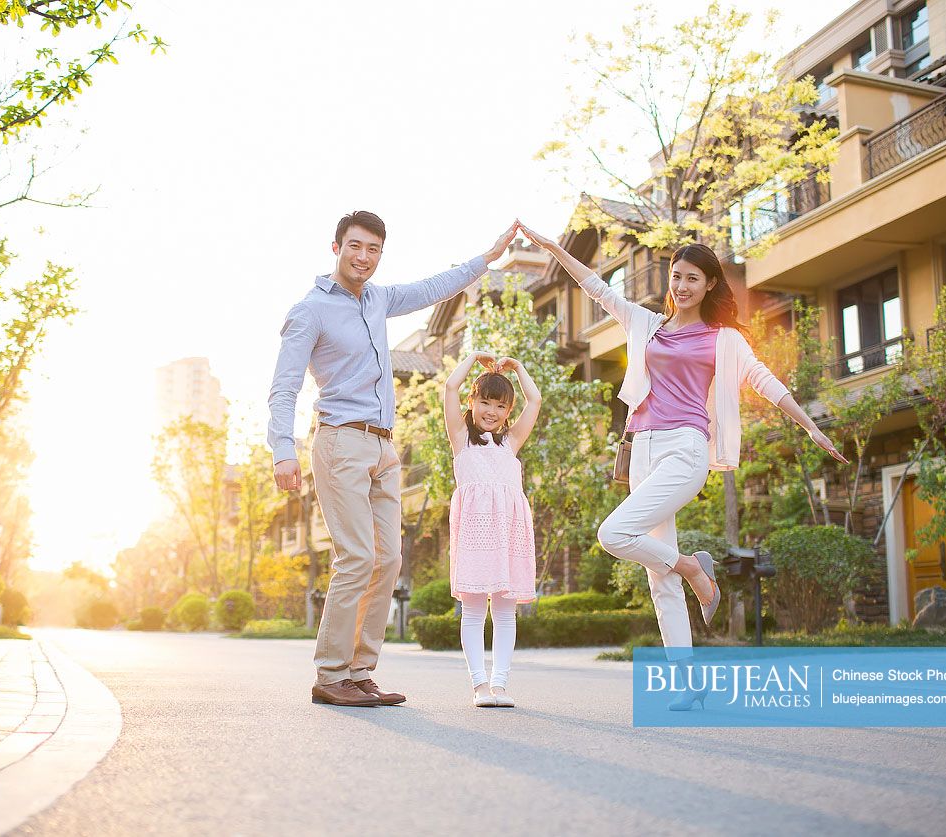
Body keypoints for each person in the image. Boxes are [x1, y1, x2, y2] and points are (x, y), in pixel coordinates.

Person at [519, 226, 847, 709]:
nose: (682, 286)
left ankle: (695, 568)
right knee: (658, 575)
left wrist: (811, 427)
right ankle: (687, 685)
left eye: (692, 278)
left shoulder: (724, 338)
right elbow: (596, 285)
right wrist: (552, 249)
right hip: (643, 449)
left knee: (614, 534)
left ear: (710, 283)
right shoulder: (646, 324)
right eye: (676, 276)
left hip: (686, 448)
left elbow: (762, 379)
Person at [269, 210, 520, 707]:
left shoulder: (380, 299)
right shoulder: (310, 310)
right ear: (336, 246)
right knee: (357, 557)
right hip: (341, 441)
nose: (364, 257)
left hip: (385, 445)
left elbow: (434, 287)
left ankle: (360, 671)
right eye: (356, 246)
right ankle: (330, 673)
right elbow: (285, 384)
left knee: (388, 559)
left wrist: (487, 259)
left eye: (374, 250)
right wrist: (282, 449)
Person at [443, 351, 541, 708]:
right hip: (474, 534)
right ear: (472, 402)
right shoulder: (461, 439)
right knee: (472, 610)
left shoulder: (510, 443)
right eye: (485, 402)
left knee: (504, 611)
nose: (492, 412)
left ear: (508, 412)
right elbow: (450, 387)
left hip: (509, 535)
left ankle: (500, 685)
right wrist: (471, 357)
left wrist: (518, 366)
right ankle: (479, 686)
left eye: (500, 406)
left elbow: (536, 399)